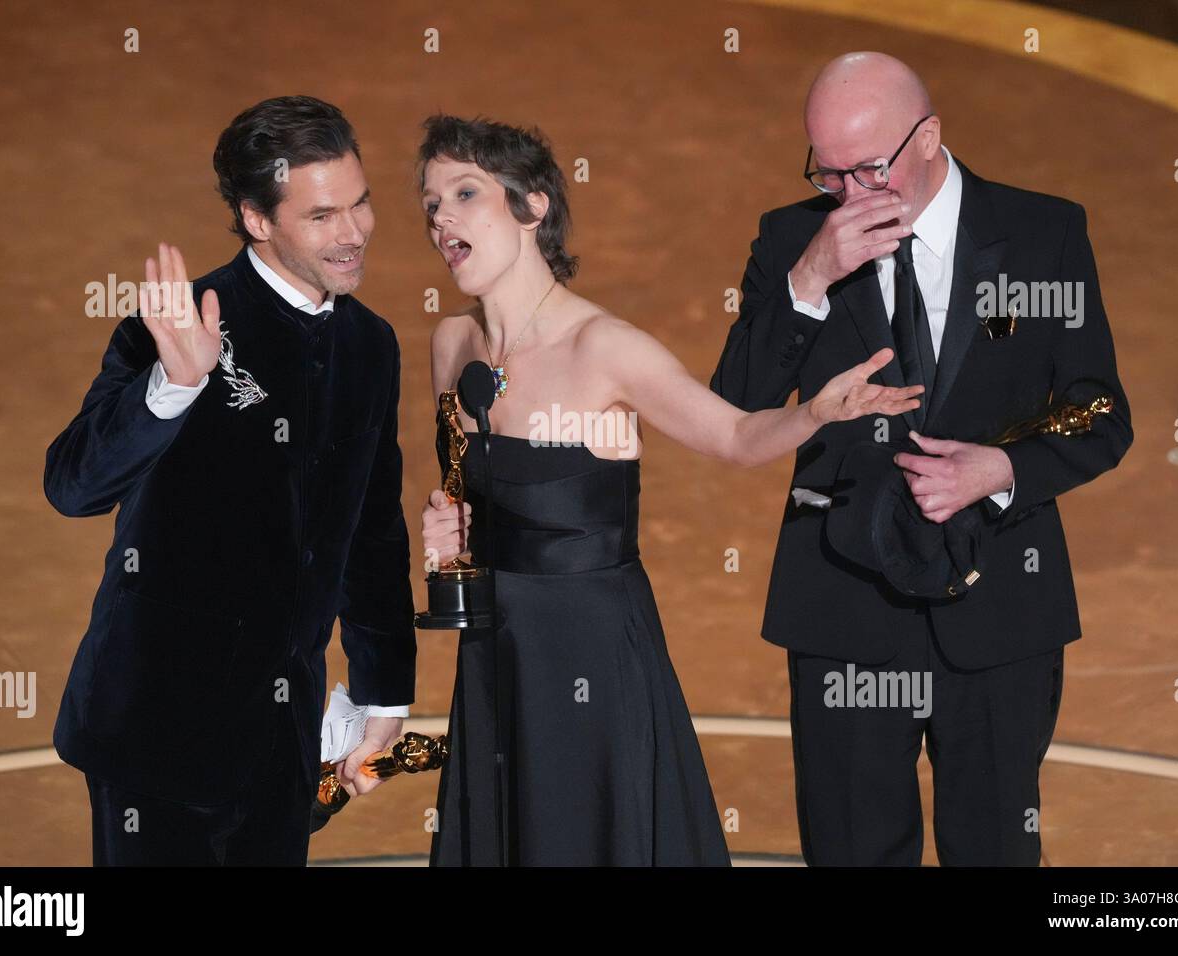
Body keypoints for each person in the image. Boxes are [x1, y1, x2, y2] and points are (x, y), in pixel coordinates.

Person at [415, 114, 924, 866]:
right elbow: (463, 486)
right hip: (498, 648)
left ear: (532, 208)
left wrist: (814, 412)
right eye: (430, 204)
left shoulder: (607, 348)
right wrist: (449, 526)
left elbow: (735, 438)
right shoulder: (451, 343)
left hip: (590, 649)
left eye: (464, 193)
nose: (441, 217)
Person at [710, 52, 1133, 865]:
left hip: (1001, 610)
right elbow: (735, 407)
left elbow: (1101, 411)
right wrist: (809, 279)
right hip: (843, 605)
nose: (849, 194)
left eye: (870, 167)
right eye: (827, 173)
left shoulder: (1045, 235)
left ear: (930, 137)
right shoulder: (792, 241)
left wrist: (1001, 470)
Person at [44, 96, 415, 865]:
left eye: (360, 203)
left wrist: (384, 690)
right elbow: (74, 486)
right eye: (321, 217)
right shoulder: (175, 323)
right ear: (257, 219)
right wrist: (171, 388)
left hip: (283, 742)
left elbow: (372, 529)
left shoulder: (372, 346)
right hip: (156, 736)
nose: (352, 233)